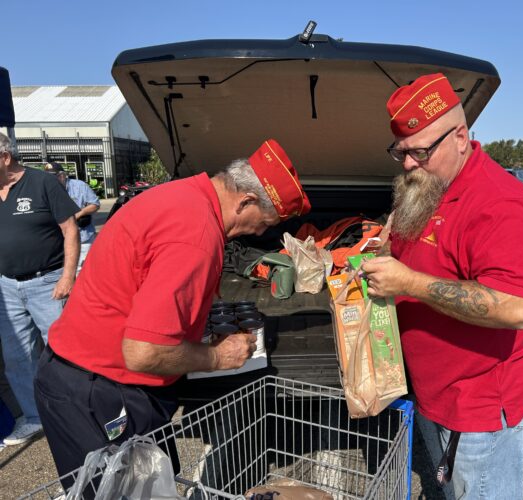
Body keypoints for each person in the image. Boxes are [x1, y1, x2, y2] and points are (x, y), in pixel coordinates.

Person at [35, 139, 311, 482]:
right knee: (124, 489)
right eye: (265, 223)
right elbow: (144, 352)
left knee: (155, 483)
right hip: (98, 391)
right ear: (246, 201)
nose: (260, 232)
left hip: (90, 374)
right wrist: (218, 356)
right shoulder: (195, 237)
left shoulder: (184, 194)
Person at [362, 74, 523, 499]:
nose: (409, 164)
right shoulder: (430, 185)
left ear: (461, 138)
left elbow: (516, 307)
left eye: (420, 151)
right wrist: (383, 245)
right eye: (401, 152)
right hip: (435, 392)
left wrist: (408, 282)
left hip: (479, 407)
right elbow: (418, 249)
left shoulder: (499, 203)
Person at [0, 132, 80, 446]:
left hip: (48, 282)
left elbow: (70, 229)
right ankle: (34, 417)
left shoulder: (42, 183)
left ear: (5, 157)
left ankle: (76, 412)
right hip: (7, 286)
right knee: (17, 357)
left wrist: (68, 276)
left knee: (63, 351)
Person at [44, 162, 100, 272]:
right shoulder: (46, 189)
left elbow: (95, 204)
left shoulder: (80, 186)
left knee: (82, 271)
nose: (49, 180)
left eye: (53, 177)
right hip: (58, 240)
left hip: (83, 238)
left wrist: (78, 214)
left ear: (62, 176)